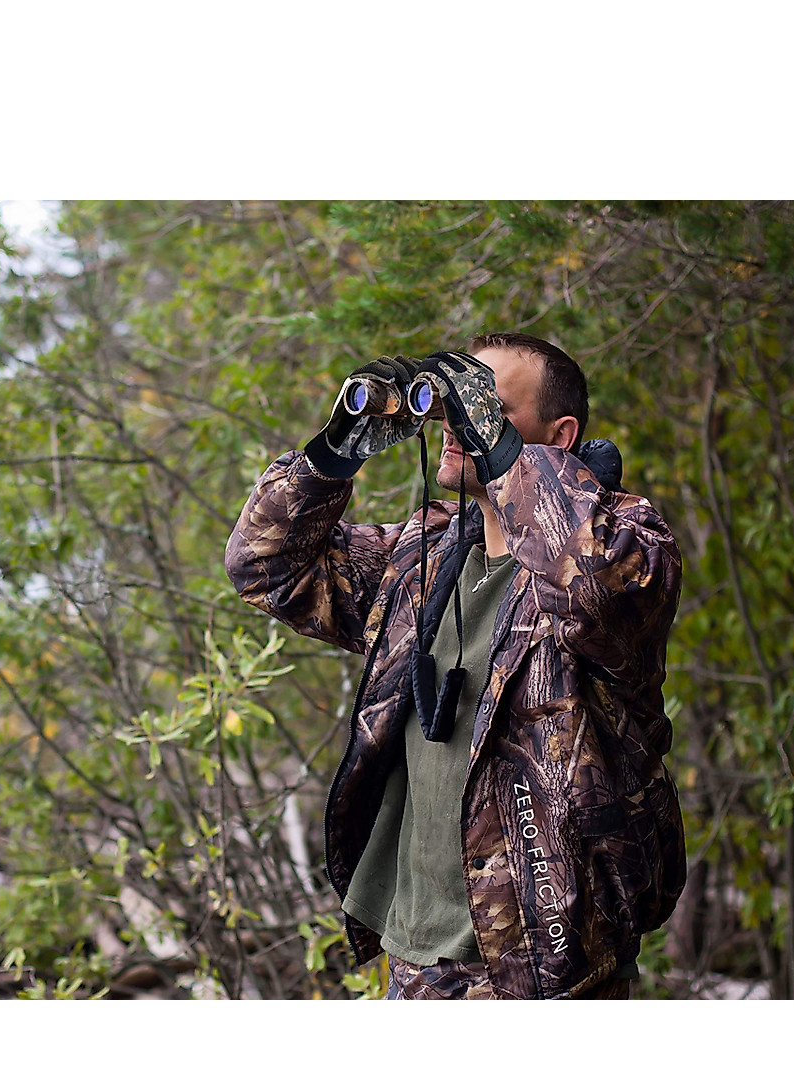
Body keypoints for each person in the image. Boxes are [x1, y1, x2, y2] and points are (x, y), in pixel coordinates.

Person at [224, 333, 686, 999]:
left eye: (487, 408)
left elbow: (590, 583)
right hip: (415, 958)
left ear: (560, 436)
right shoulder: (424, 554)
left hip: (547, 966)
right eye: (456, 405)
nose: (456, 424)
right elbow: (263, 565)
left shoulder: (625, 545)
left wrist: (500, 452)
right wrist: (336, 449)